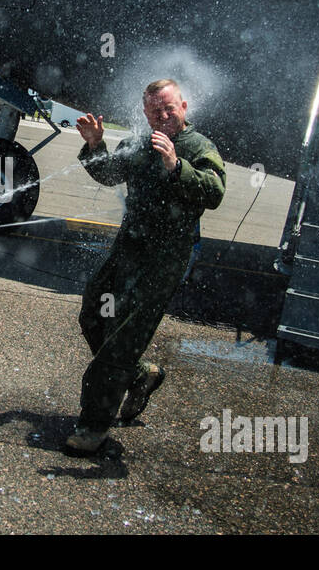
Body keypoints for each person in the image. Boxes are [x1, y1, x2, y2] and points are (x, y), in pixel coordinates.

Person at [65, 79, 226, 454]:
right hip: (128, 249)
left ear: (184, 107)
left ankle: (93, 427)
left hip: (164, 259)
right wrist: (94, 145)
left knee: (121, 340)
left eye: (169, 108)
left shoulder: (200, 147)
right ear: (145, 113)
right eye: (155, 111)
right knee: (93, 314)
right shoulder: (138, 142)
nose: (163, 116)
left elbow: (214, 193)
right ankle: (141, 375)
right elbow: (108, 174)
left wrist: (175, 165)